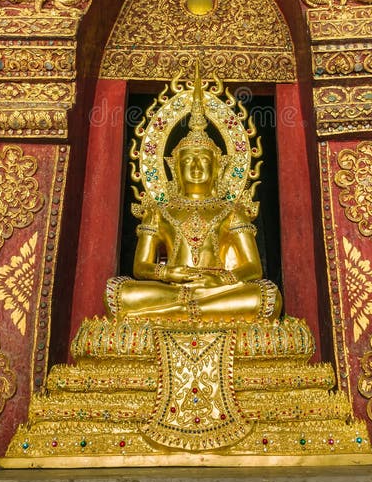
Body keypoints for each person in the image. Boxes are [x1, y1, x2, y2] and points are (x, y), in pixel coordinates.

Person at [104, 71, 281, 322]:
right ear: (173, 166)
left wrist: (219, 279)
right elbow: (140, 267)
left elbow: (253, 268)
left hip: (216, 289)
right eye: (188, 160)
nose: (196, 167)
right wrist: (168, 274)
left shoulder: (231, 210)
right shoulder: (159, 209)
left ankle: (176, 312)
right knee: (119, 293)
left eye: (203, 160)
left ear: (219, 166)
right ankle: (187, 308)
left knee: (265, 295)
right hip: (172, 288)